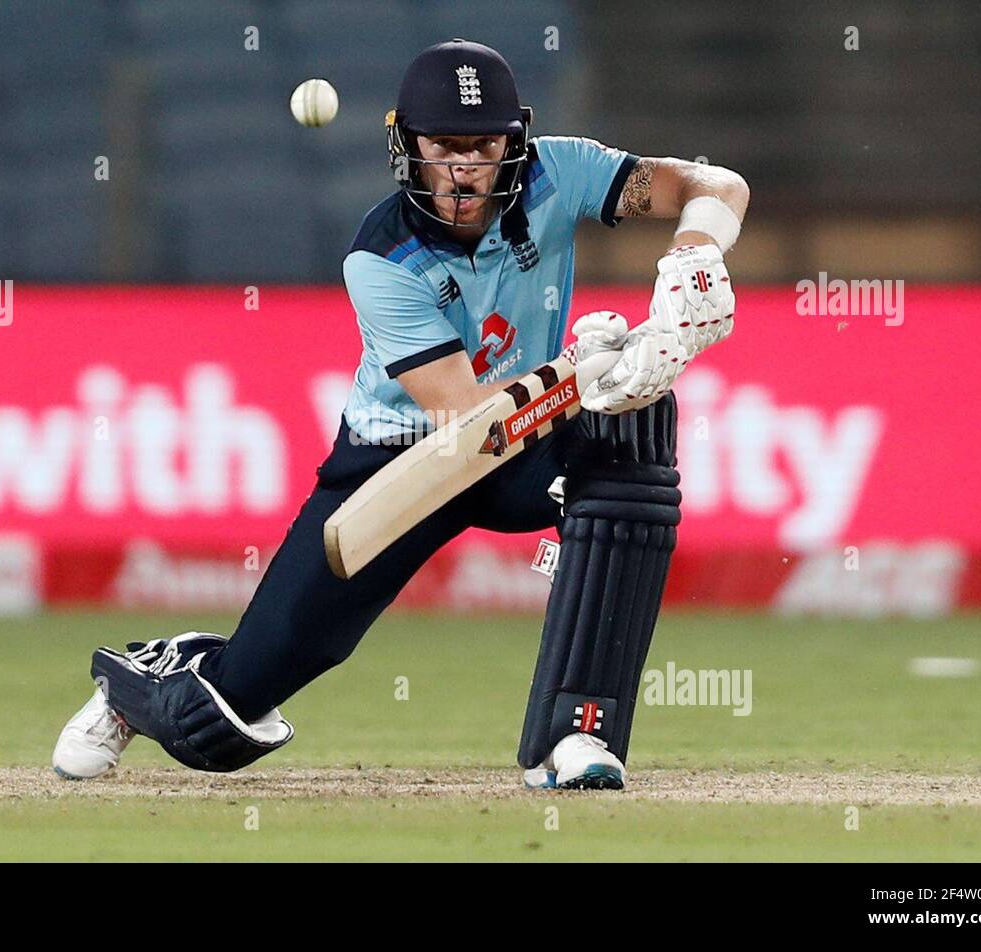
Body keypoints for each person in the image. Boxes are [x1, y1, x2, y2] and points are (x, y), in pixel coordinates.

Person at [54, 38, 747, 789]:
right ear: (406, 145)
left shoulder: (559, 172)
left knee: (630, 452)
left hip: (529, 444)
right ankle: (141, 681)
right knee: (217, 723)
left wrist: (696, 258)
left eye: (484, 147)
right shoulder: (380, 261)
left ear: (515, 141)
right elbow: (464, 418)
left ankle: (575, 738)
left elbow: (714, 182)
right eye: (444, 147)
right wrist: (583, 373)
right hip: (404, 456)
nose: (465, 170)